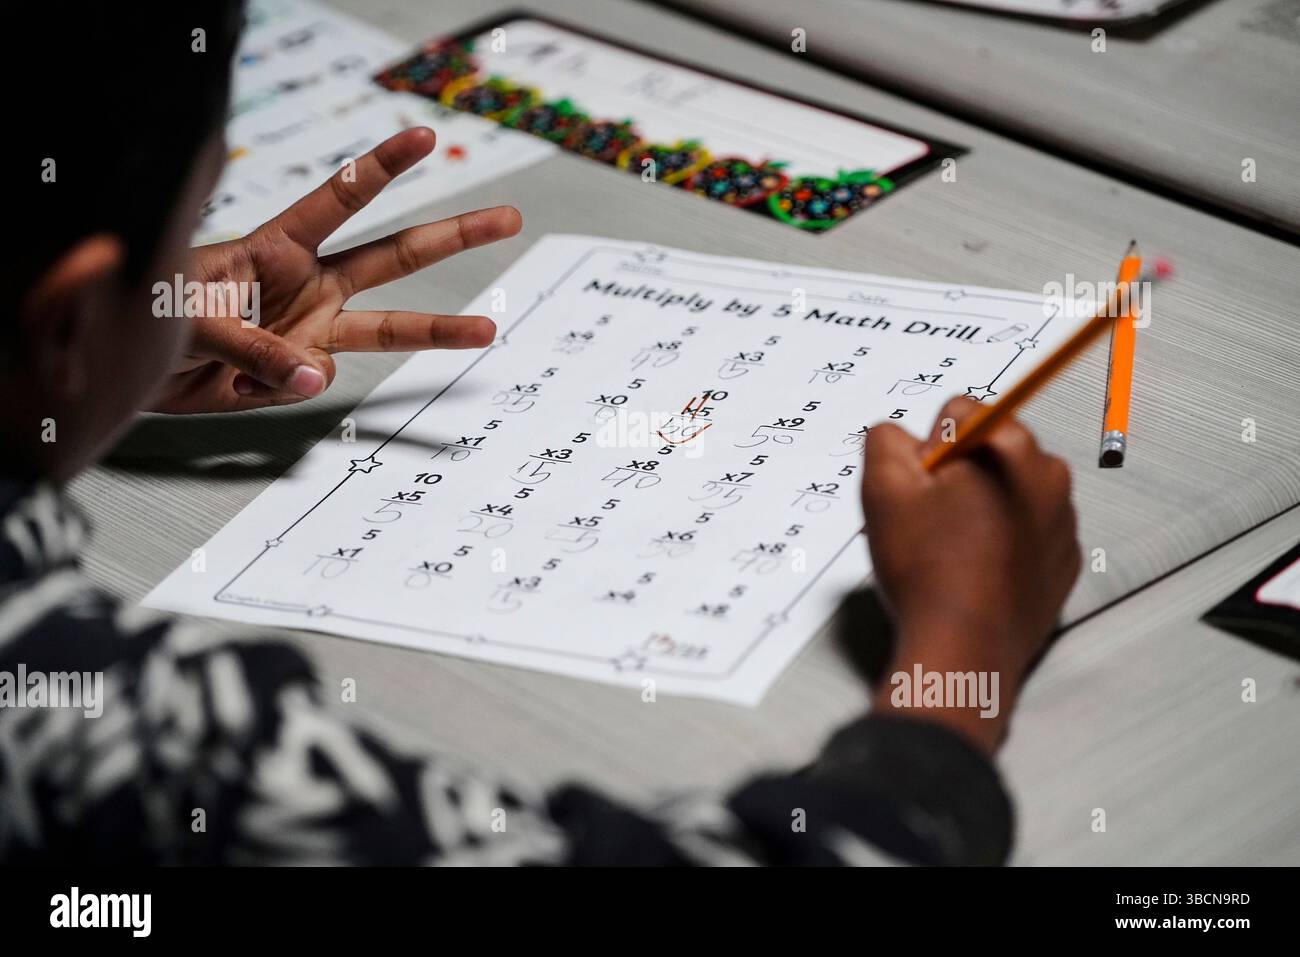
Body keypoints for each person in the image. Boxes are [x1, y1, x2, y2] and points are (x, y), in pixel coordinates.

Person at [1, 5, 1078, 865]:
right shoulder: (81, 715)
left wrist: (81, 365)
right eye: (189, 226)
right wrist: (962, 653)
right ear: (63, 317)